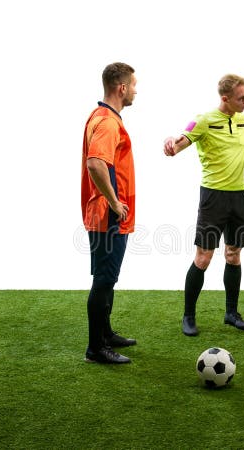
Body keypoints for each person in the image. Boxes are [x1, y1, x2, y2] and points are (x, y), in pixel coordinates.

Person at [164, 74, 244, 336]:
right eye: (242, 98)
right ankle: (189, 316)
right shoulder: (204, 120)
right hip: (213, 198)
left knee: (233, 255)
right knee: (203, 258)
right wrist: (171, 143)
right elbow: (179, 144)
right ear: (225, 99)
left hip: (239, 198)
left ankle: (231, 313)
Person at [81, 62, 139, 364]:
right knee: (103, 280)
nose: (136, 90)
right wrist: (115, 203)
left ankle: (105, 334)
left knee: (108, 278)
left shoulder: (104, 117)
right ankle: (96, 348)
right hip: (107, 216)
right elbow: (95, 163)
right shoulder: (107, 122)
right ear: (122, 88)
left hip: (109, 215)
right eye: (134, 85)